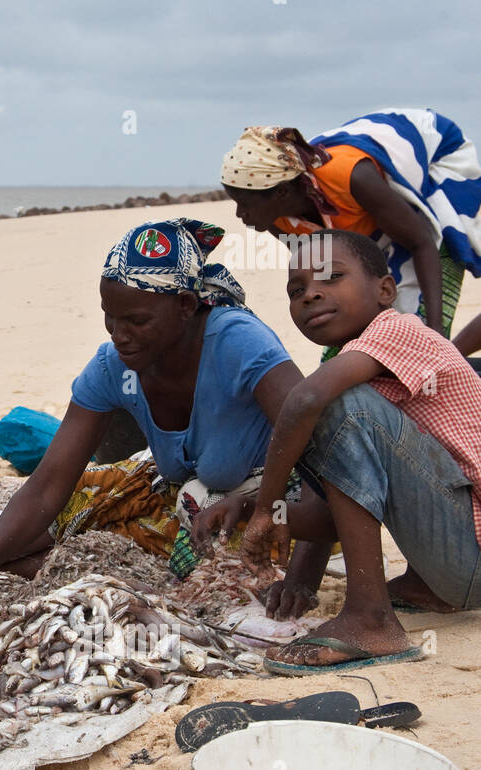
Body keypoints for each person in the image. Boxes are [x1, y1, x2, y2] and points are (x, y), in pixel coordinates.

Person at [0, 219, 312, 629]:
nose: (120, 335)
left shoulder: (236, 341)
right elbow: (48, 484)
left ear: (186, 306)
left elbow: (319, 437)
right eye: (109, 317)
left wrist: (274, 521)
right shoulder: (113, 366)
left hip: (264, 507)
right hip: (176, 494)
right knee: (82, 495)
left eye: (136, 320)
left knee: (166, 568)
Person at [194, 230, 481, 674]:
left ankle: (371, 618)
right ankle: (422, 588)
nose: (311, 295)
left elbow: (305, 401)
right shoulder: (354, 361)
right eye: (296, 290)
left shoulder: (398, 329)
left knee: (330, 405)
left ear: (386, 290)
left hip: (471, 554)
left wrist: (267, 507)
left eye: (331, 278)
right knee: (327, 413)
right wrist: (252, 506)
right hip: (457, 567)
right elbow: (337, 510)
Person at [221, 109, 481, 342]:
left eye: (244, 203)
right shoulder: (276, 219)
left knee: (421, 326)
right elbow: (323, 272)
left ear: (282, 194)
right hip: (376, 211)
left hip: (438, 154)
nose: (240, 214)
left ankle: (447, 356)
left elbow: (421, 242)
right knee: (362, 320)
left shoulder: (354, 179)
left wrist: (436, 332)